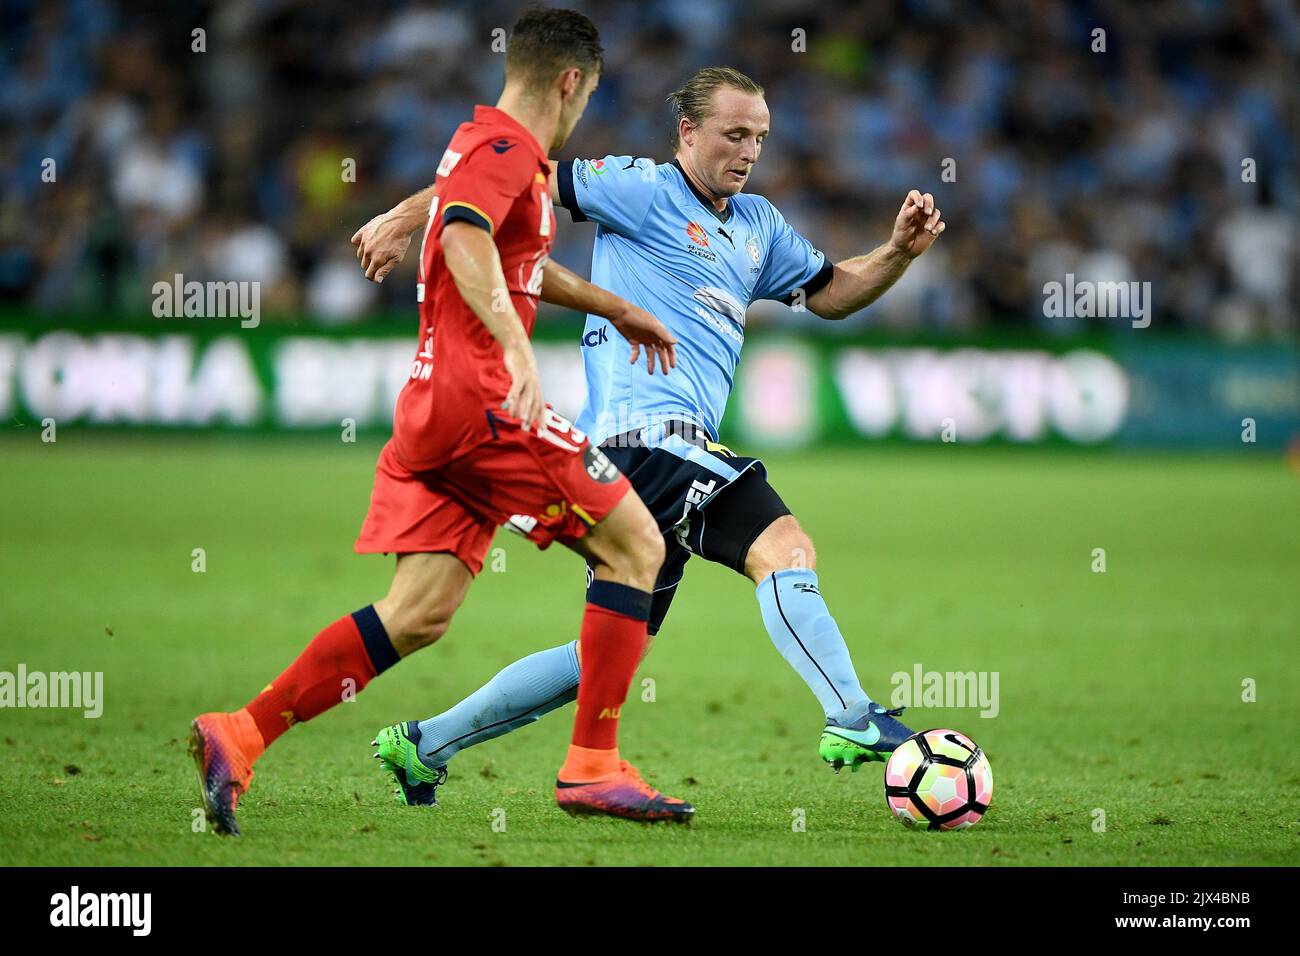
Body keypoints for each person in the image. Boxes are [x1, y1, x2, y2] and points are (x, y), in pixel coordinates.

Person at [351, 66, 946, 807]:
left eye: (759, 137)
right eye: (733, 134)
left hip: (664, 452)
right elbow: (495, 179)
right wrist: (407, 217)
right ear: (687, 131)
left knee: (605, 652)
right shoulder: (638, 186)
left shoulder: (757, 224)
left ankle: (422, 744)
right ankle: (852, 716)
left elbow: (829, 293)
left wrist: (895, 254)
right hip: (643, 439)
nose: (748, 150)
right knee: (784, 547)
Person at [189, 8, 694, 835]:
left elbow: (506, 247)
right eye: (588, 95)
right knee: (638, 545)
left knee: (417, 612)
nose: (582, 113)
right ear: (571, 82)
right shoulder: (510, 154)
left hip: (430, 415)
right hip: (485, 405)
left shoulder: (476, 143)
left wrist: (615, 306)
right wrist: (518, 351)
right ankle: (593, 766)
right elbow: (467, 237)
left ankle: (239, 734)